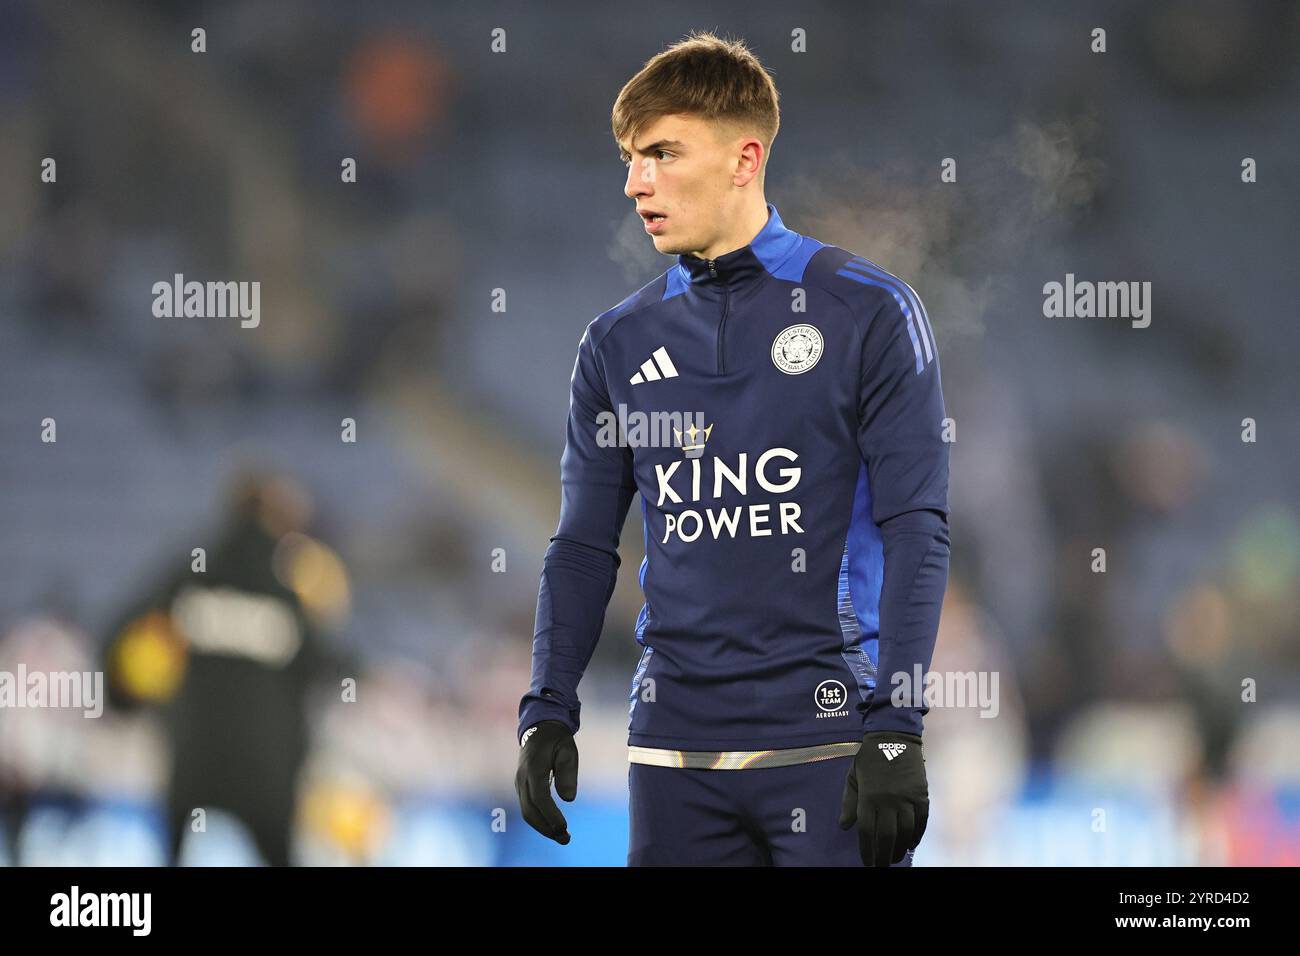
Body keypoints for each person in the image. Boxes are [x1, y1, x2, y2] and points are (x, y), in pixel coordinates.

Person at [515, 32, 950, 867]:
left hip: (829, 743)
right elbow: (580, 545)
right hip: (672, 754)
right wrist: (547, 708)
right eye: (631, 158)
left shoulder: (867, 311)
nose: (636, 181)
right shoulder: (615, 343)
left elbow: (916, 527)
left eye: (663, 153)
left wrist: (896, 724)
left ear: (745, 158)